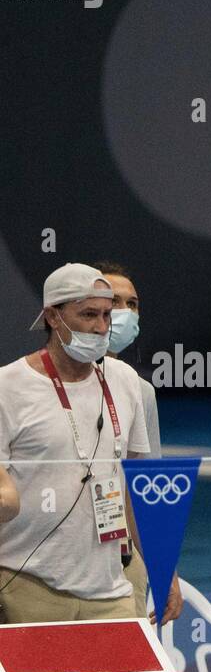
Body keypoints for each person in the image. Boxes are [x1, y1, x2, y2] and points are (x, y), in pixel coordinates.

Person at [0, 263, 181, 625]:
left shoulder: (125, 381)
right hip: (27, 585)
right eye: (88, 315)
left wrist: (164, 569)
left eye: (105, 314)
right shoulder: (9, 387)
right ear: (53, 316)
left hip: (110, 590)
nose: (101, 327)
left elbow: (137, 488)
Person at [95, 260, 163, 619]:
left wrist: (164, 570)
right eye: (113, 302)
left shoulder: (141, 392)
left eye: (131, 304)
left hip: (122, 561)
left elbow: (144, 490)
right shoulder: (29, 384)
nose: (123, 313)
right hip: (51, 564)